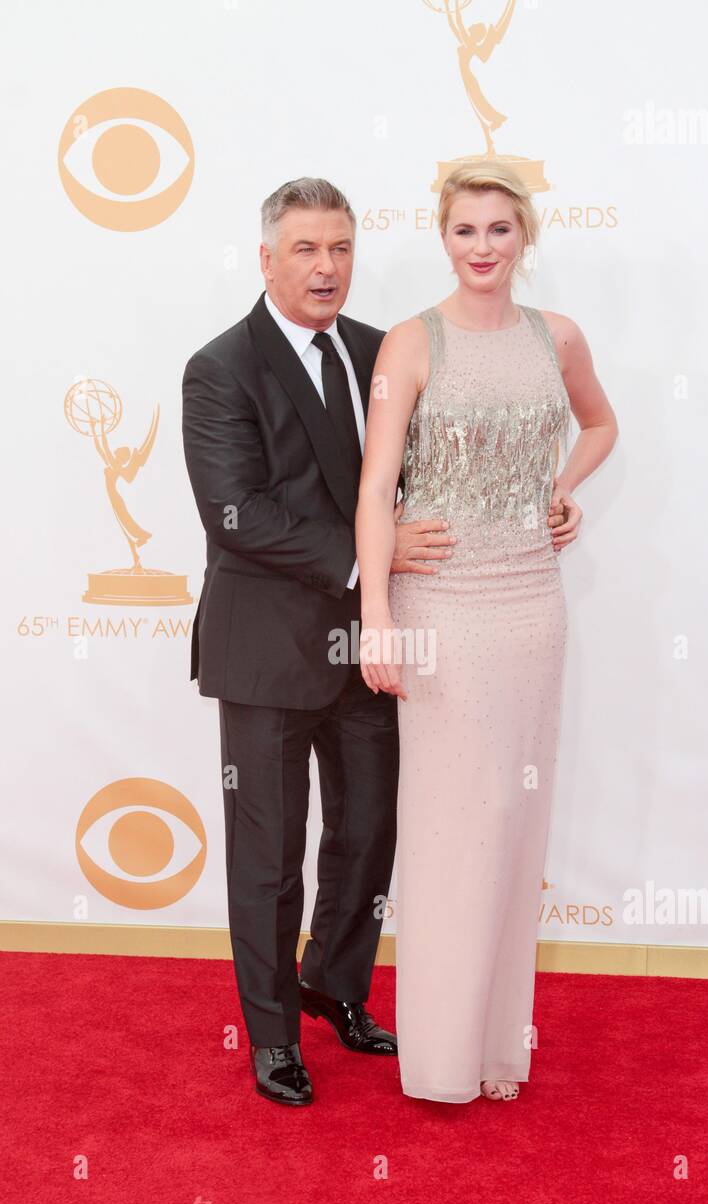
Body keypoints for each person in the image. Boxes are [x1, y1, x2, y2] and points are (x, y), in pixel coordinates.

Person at [181, 178, 457, 1107]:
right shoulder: (220, 368)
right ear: (267, 259)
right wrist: (368, 555)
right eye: (305, 249)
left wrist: (530, 506)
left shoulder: (379, 350)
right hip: (265, 653)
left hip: (367, 642)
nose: (327, 267)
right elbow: (236, 514)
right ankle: (270, 1038)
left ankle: (335, 987)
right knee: (269, 860)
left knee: (368, 832)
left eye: (340, 248)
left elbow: (419, 476)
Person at [356, 160, 618, 1104]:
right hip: (441, 607)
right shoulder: (409, 343)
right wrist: (376, 617)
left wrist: (562, 488)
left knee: (511, 818)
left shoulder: (559, 337)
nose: (482, 247)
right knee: (450, 825)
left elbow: (600, 424)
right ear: (443, 237)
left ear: (525, 236)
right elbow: (375, 488)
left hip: (532, 602)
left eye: (499, 229)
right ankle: (439, 1059)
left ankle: (497, 1048)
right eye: (465, 230)